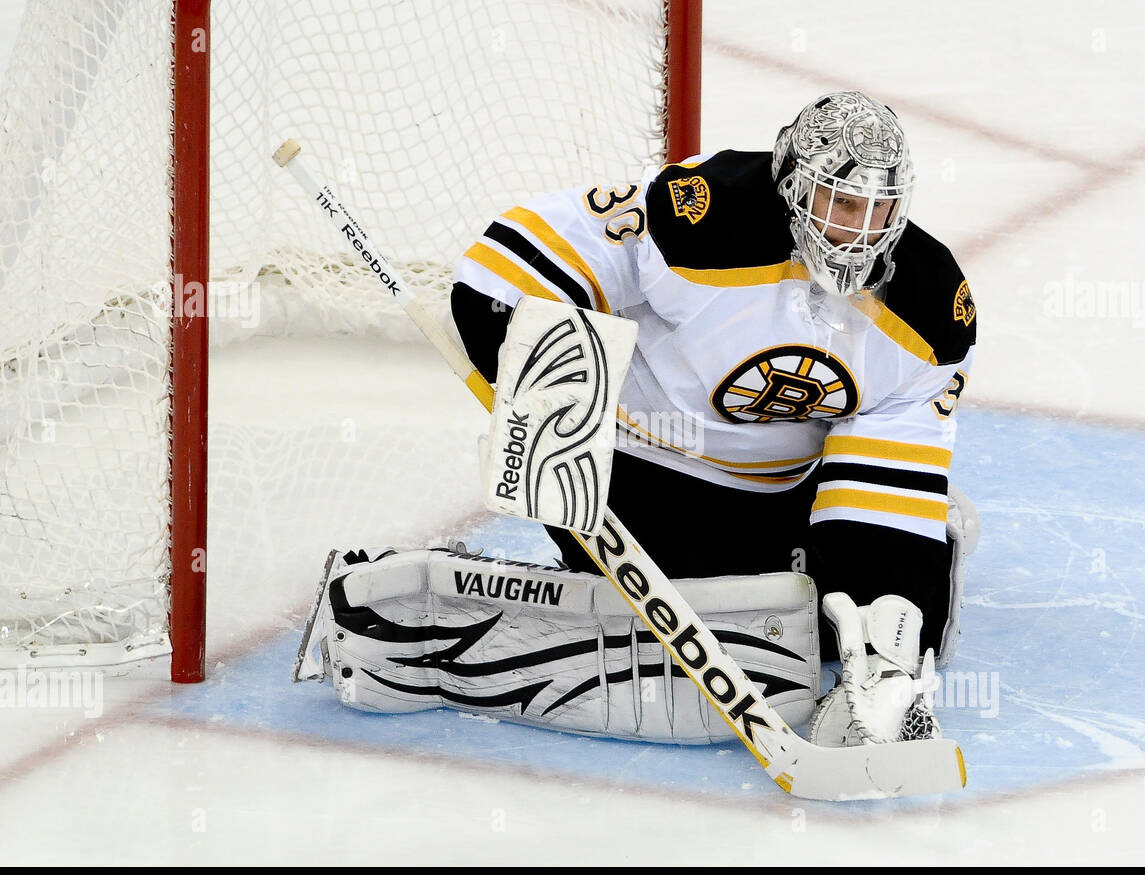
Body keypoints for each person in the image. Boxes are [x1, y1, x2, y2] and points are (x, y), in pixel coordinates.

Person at [299, 91, 978, 750]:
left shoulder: (930, 304)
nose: (860, 227)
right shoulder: (703, 216)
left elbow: (890, 465)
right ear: (792, 188)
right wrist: (550, 406)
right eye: (841, 201)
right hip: (646, 476)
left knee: (834, 624)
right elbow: (507, 263)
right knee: (679, 624)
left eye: (877, 206)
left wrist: (883, 619)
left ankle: (913, 569)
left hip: (787, 494)